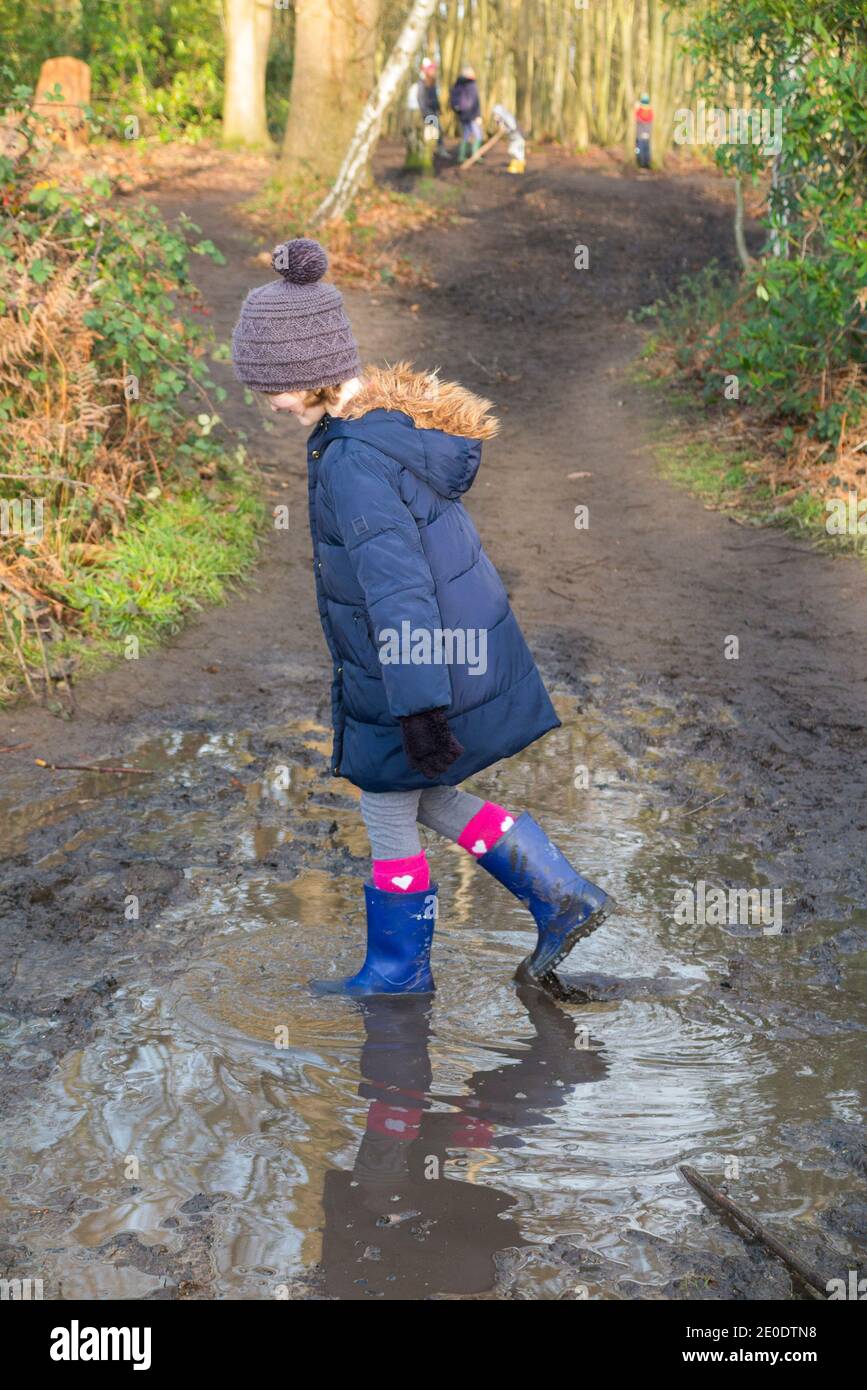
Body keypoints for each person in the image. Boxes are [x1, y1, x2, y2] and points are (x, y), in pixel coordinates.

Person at [231, 237, 615, 996]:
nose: (265, 401)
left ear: (308, 374)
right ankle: (558, 892)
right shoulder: (384, 429)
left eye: (270, 386)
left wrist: (418, 706)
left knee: (386, 800)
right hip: (436, 653)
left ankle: (398, 972)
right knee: (425, 795)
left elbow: (398, 589)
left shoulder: (351, 461)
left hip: (415, 664)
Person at [449, 65, 482, 163]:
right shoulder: (471, 85)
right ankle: (475, 155)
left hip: (463, 114)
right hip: (471, 115)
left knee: (466, 134)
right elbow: (475, 102)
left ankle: (462, 155)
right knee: (478, 135)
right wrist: (477, 115)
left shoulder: (458, 84)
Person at [635, 92, 653, 169]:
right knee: (646, 148)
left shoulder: (639, 110)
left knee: (639, 148)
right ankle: (647, 163)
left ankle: (641, 163)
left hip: (640, 133)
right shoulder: (650, 110)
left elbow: (637, 118)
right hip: (647, 133)